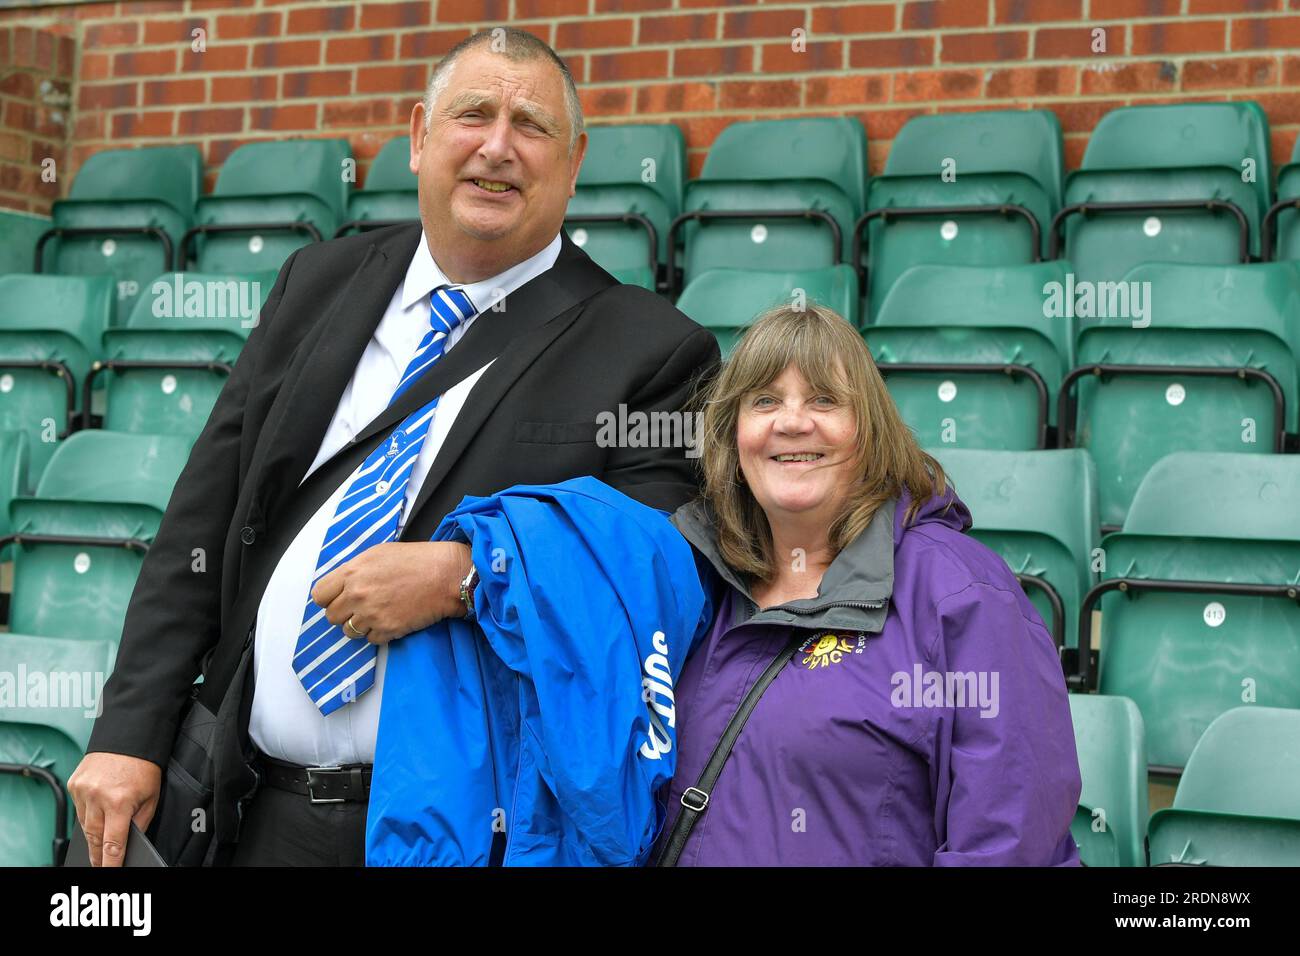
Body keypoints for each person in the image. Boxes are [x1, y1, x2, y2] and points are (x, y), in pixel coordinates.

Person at [68, 27, 718, 867]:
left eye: (531, 125)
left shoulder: (654, 347)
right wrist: (129, 732)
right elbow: (205, 516)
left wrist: (466, 577)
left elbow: (661, 561)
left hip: (462, 828)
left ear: (575, 157)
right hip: (249, 805)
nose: (497, 146)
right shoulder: (318, 283)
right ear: (418, 136)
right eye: (473, 114)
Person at [658, 303, 1081, 866]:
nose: (791, 422)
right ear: (733, 435)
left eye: (824, 399)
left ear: (870, 430)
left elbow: (1008, 841)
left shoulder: (965, 596)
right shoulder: (690, 582)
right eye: (764, 401)